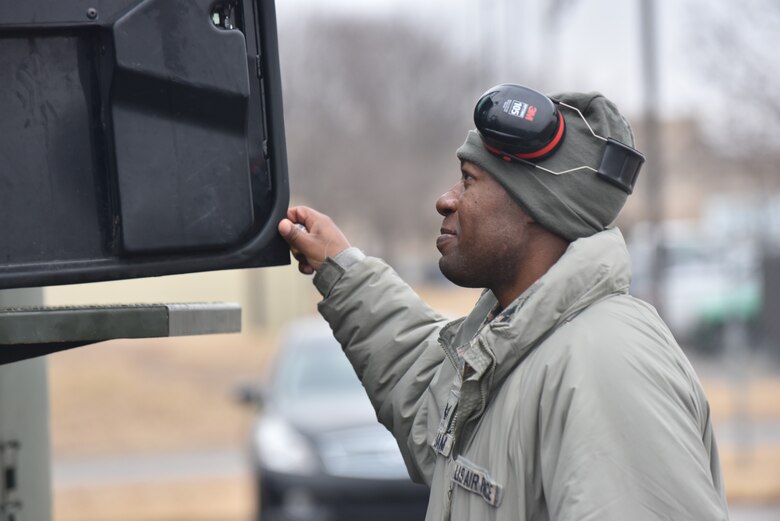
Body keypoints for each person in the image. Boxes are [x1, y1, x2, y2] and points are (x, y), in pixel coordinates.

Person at [277, 84, 729, 520]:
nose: (446, 200)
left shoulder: (605, 367)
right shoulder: (520, 341)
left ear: (534, 205)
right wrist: (341, 267)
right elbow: (423, 396)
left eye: (468, 181)